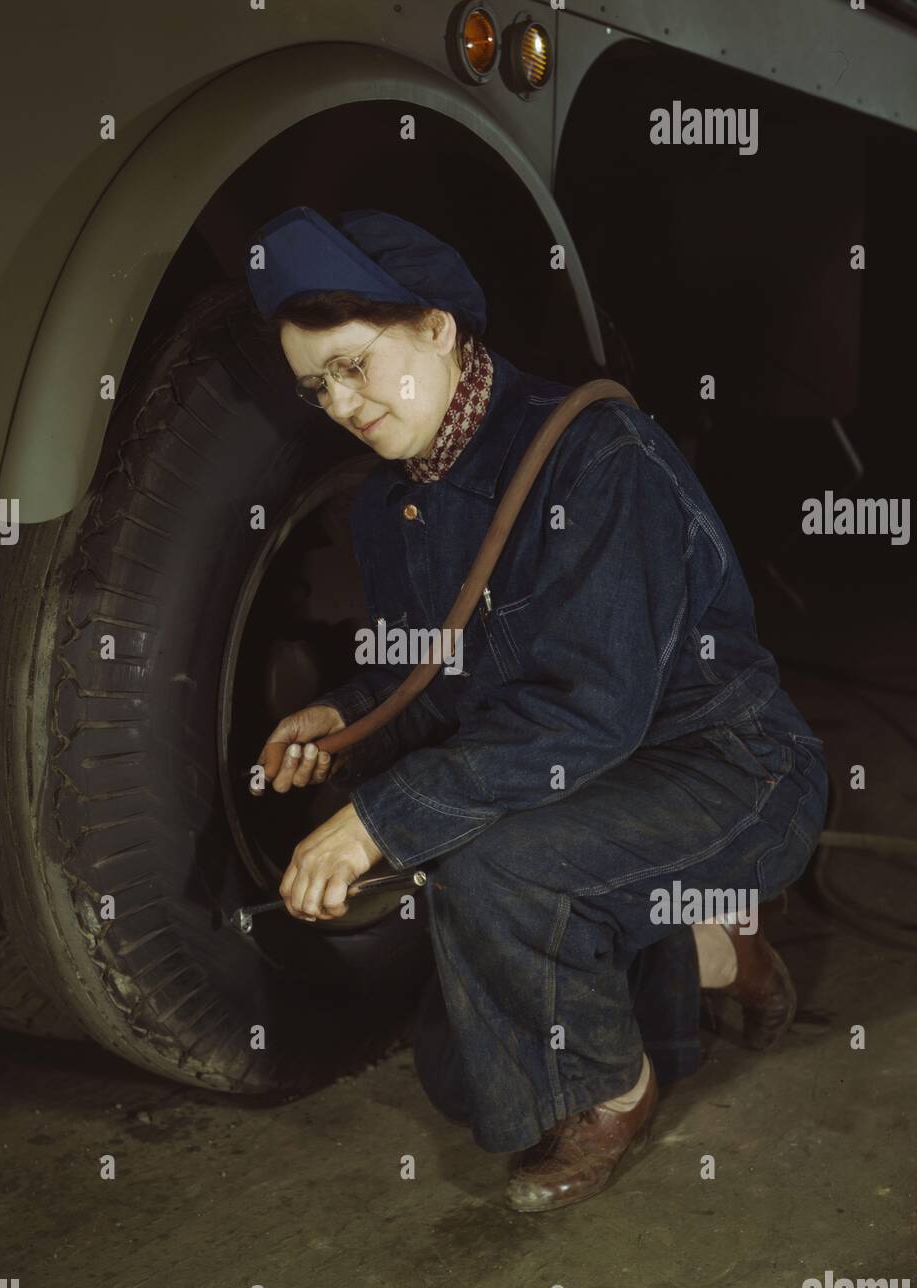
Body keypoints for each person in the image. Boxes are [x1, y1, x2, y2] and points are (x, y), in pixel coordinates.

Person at [244, 206, 829, 1213]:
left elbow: (590, 713)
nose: (339, 403)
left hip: (725, 767)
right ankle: (712, 947)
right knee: (464, 1073)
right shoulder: (390, 506)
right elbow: (430, 677)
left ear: (436, 327)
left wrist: (380, 820)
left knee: (493, 867)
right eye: (315, 385)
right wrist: (341, 726)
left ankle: (614, 1092)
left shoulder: (593, 456)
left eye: (351, 363)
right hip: (590, 788)